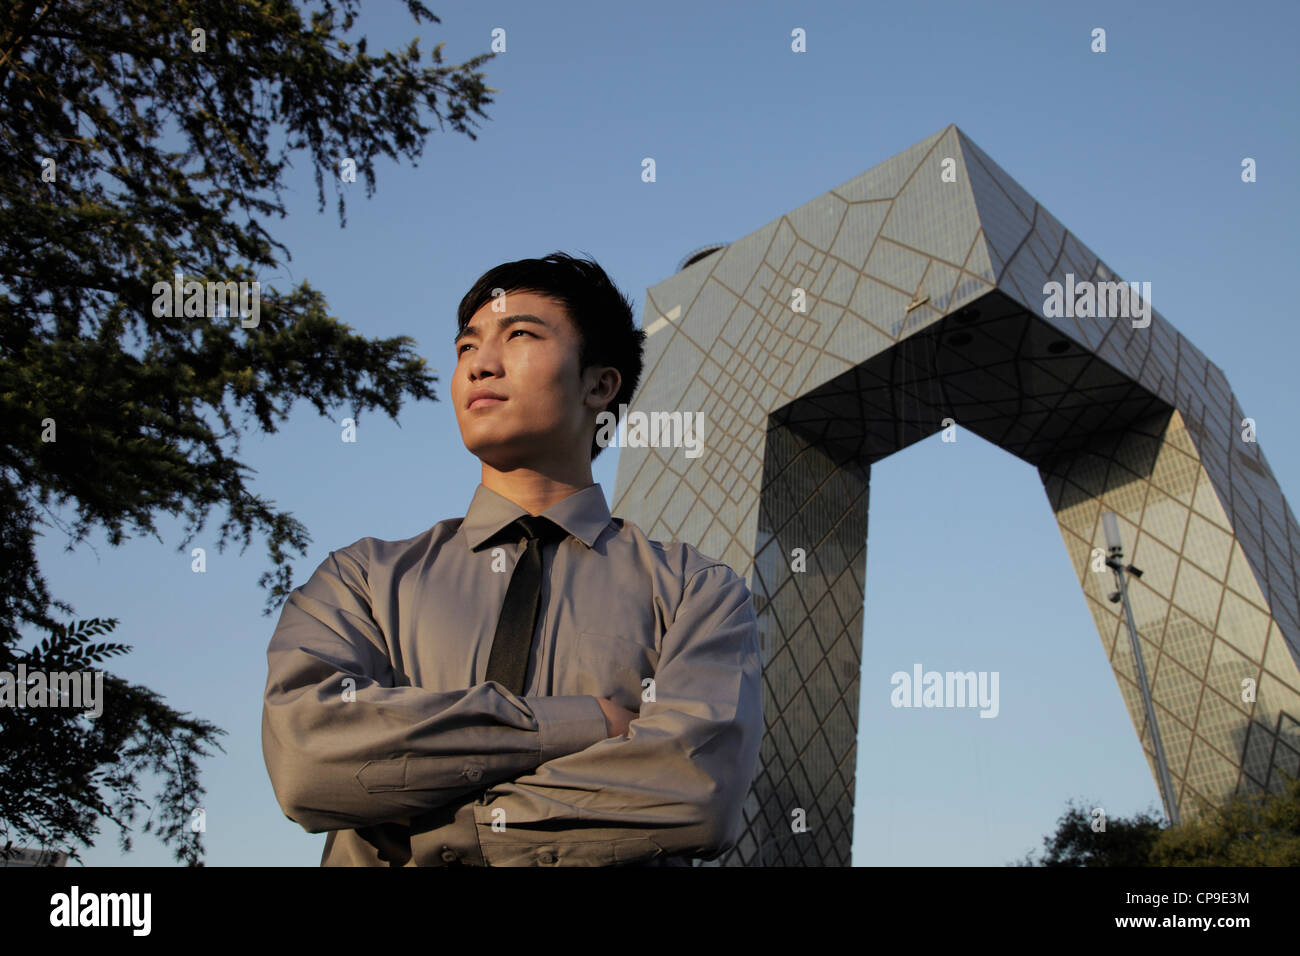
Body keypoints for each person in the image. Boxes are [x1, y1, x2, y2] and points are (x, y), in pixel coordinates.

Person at [261, 251, 763, 866]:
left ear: (599, 384)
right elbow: (309, 759)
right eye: (466, 347)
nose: (480, 365)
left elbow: (694, 793)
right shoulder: (361, 580)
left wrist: (434, 838)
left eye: (519, 334)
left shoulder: (695, 592)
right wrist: (585, 726)